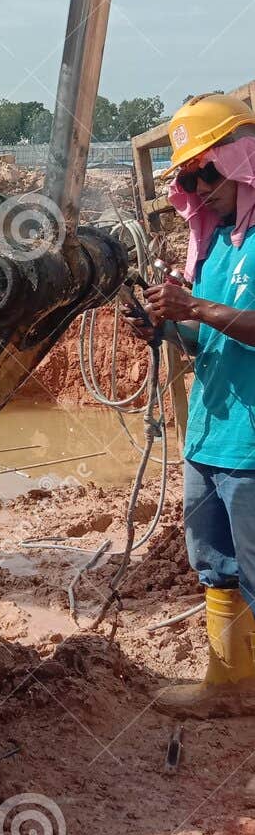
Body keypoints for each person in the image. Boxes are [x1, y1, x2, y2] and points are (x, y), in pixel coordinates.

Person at [127, 92, 255, 717]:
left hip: (251, 447)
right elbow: (207, 335)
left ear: (236, 161)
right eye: (183, 179)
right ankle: (226, 685)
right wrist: (163, 328)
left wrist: (194, 308)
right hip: (210, 436)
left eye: (202, 173)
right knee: (218, 569)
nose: (193, 188)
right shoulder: (217, 245)